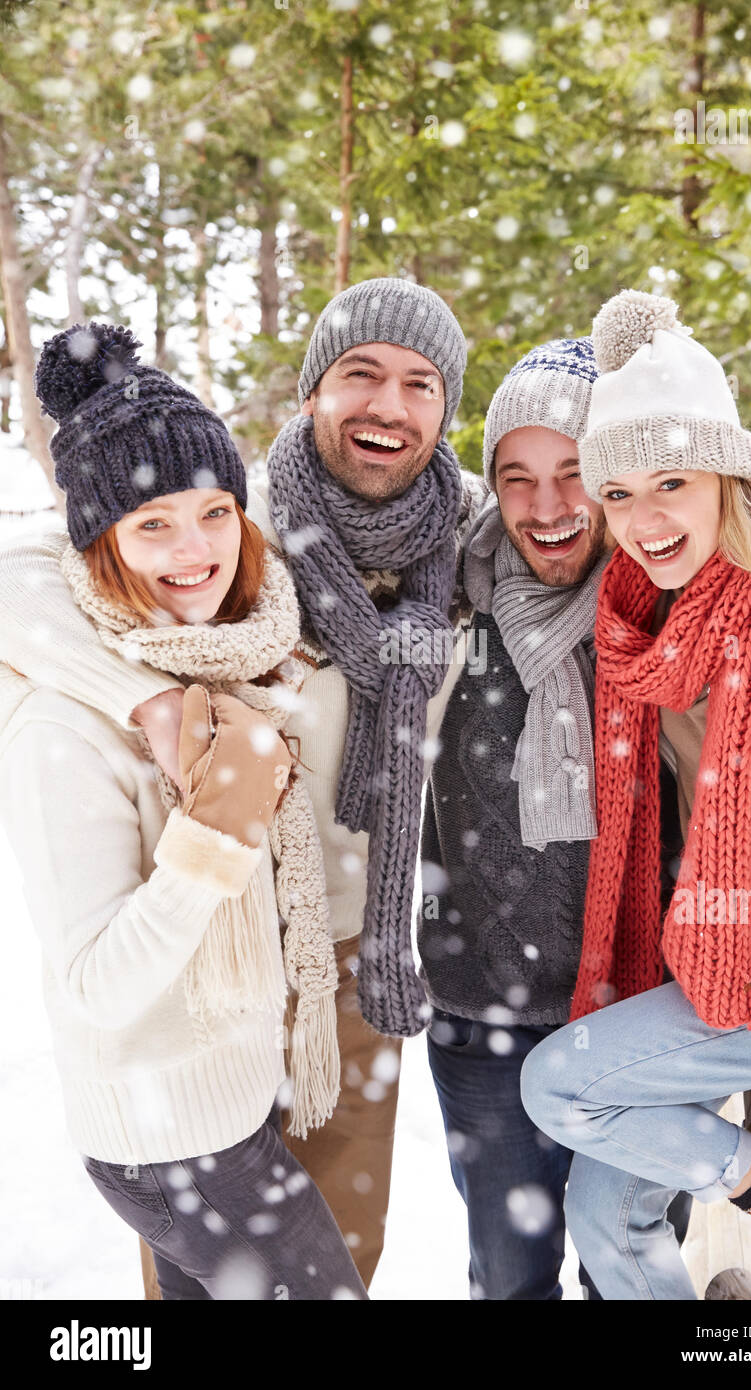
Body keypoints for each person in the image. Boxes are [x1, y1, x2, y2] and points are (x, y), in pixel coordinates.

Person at [0, 279, 484, 1292]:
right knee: (206, 1262)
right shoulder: (230, 523)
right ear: (312, 392)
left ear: (444, 410)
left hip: (353, 950)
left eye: (419, 383)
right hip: (198, 960)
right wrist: (147, 699)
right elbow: (24, 584)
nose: (387, 405)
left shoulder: (472, 536)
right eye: (359, 374)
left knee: (331, 1252)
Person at [521, 289, 751, 1301]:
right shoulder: (655, 611)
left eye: (670, 480)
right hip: (731, 951)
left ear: (726, 473)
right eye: (617, 493)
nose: (644, 517)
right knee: (601, 1215)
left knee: (561, 1085)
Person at [420, 338, 691, 1299]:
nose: (546, 508)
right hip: (482, 1016)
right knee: (510, 1275)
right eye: (517, 477)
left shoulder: (668, 607)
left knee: (629, 1260)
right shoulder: (446, 596)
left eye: (576, 473)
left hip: (642, 1014)